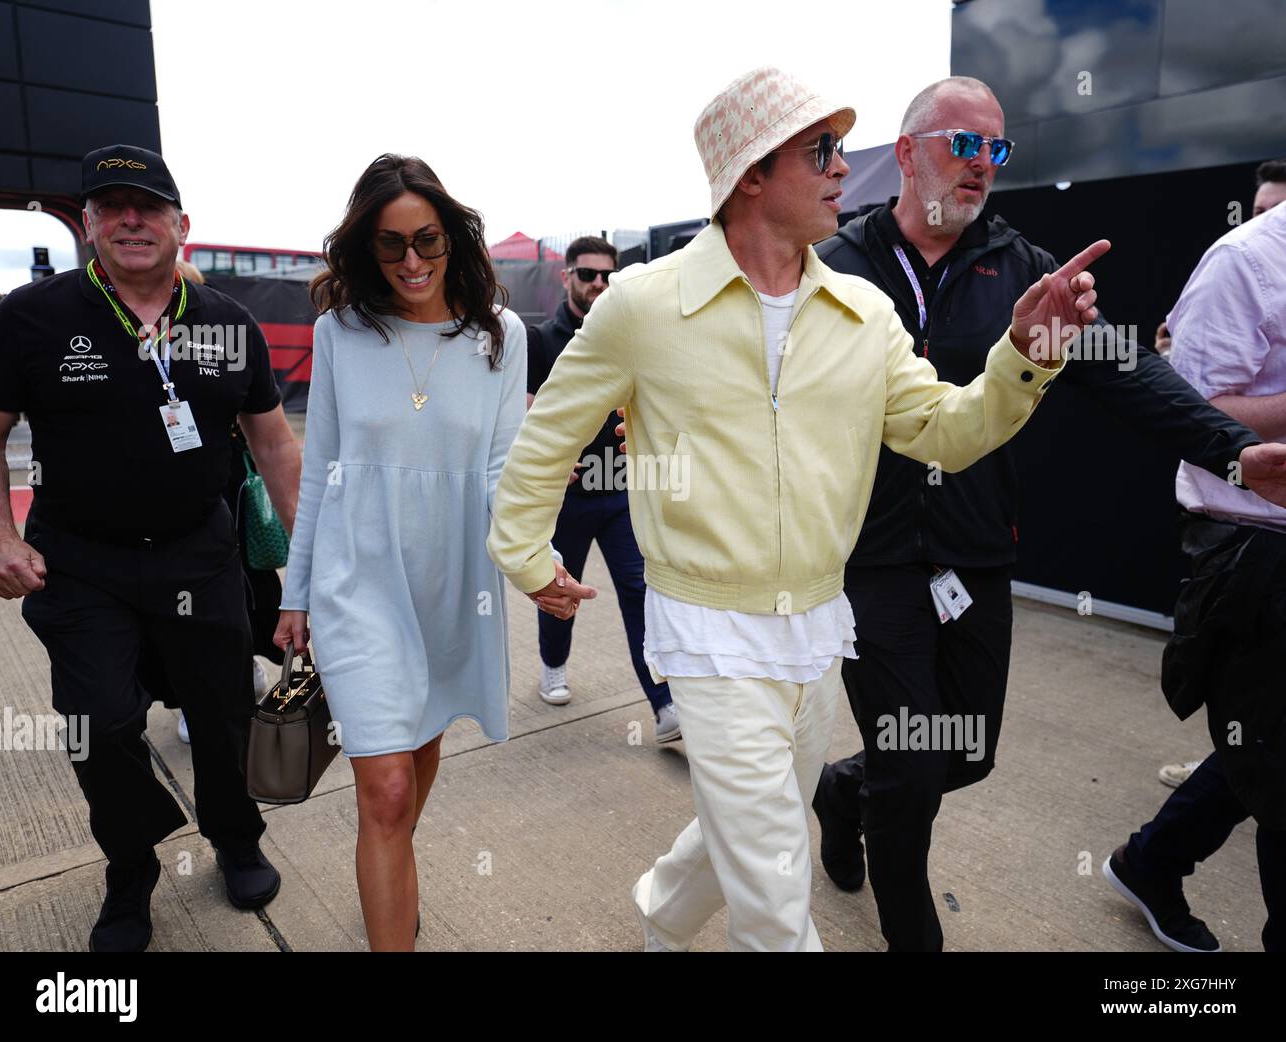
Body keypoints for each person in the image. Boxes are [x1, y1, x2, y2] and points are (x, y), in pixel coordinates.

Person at [488, 66, 1110, 951]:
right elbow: (546, 440)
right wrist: (524, 554)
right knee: (778, 891)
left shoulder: (863, 310)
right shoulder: (644, 305)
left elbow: (947, 430)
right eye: (819, 151)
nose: (840, 171)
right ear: (750, 175)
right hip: (703, 630)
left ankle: (661, 918)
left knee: (751, 821)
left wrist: (1023, 356)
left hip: (821, 626)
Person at [810, 77, 1286, 952]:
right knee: (912, 768)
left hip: (977, 551)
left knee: (967, 752)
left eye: (998, 149)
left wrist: (1233, 450)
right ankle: (916, 935)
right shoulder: (839, 266)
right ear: (908, 152)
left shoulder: (1023, 267)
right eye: (964, 143)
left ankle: (846, 791)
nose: (982, 165)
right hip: (869, 555)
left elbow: (1124, 368)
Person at [0, 144, 301, 951]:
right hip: (80, 563)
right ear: (88, 224)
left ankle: (237, 839)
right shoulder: (31, 318)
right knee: (100, 720)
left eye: (149, 206)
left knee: (225, 714)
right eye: (113, 206)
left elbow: (274, 448)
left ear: (180, 225)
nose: (132, 219)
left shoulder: (228, 325)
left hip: (199, 557)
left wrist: (307, 568)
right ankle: (130, 870)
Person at [274, 154, 535, 952]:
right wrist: (297, 592)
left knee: (414, 762)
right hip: (361, 585)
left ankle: (390, 871)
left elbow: (503, 472)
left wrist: (536, 565)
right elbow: (320, 468)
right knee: (383, 791)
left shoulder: (501, 334)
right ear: (366, 250)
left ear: (453, 237)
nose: (413, 261)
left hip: (454, 584)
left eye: (427, 240)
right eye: (391, 246)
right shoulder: (339, 333)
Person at [1103, 200, 1286, 953]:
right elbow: (1192, 408)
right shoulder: (1246, 261)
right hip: (1256, 546)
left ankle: (1152, 860)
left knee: (1270, 746)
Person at [526, 235, 678, 742]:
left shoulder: (627, 333)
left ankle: (663, 706)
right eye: (587, 274)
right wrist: (545, 463)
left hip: (618, 493)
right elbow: (526, 412)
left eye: (607, 275)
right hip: (565, 498)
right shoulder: (542, 339)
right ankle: (553, 665)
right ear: (566, 276)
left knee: (639, 590)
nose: (598, 284)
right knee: (560, 590)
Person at [1155, 158, 1286, 356]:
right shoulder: (1236, 267)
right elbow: (1215, 375)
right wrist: (1173, 357)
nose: (1265, 222)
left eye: (1277, 213)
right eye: (1259, 213)